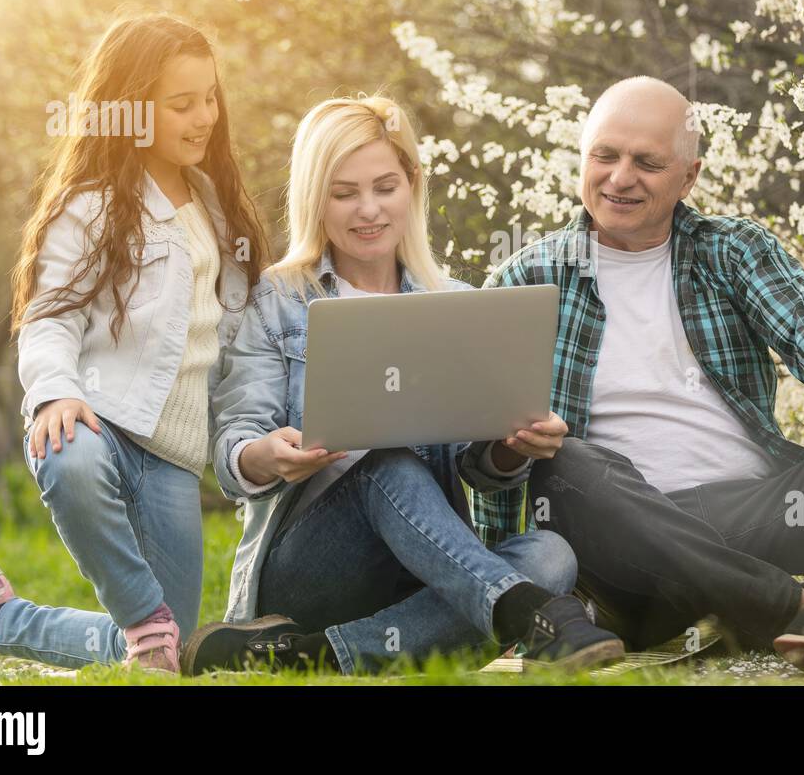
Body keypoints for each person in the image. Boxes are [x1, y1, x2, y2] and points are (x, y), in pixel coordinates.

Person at [473, 76, 804, 673]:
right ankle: (791, 606)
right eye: (605, 156)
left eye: (647, 162)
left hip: (759, 514)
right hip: (624, 546)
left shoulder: (730, 249)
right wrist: (510, 575)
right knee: (562, 461)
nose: (620, 178)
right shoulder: (527, 277)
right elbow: (482, 459)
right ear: (583, 156)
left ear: (689, 177)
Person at [182, 96, 623, 676]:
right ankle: (523, 614)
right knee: (388, 461)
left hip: (426, 572)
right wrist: (262, 456)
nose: (368, 210)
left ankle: (308, 657)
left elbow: (476, 469)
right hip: (310, 569)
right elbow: (234, 443)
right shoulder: (279, 301)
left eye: (385, 187)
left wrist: (510, 447)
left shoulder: (457, 306)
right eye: (344, 193)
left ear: (412, 185)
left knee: (549, 555)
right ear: (316, 199)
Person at [0, 13, 270, 675]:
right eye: (181, 103)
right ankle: (132, 617)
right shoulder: (92, 206)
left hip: (172, 460)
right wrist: (54, 394)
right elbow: (49, 317)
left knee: (166, 651)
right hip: (99, 421)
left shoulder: (223, 209)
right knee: (67, 454)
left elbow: (241, 337)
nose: (203, 117)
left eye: (210, 98)